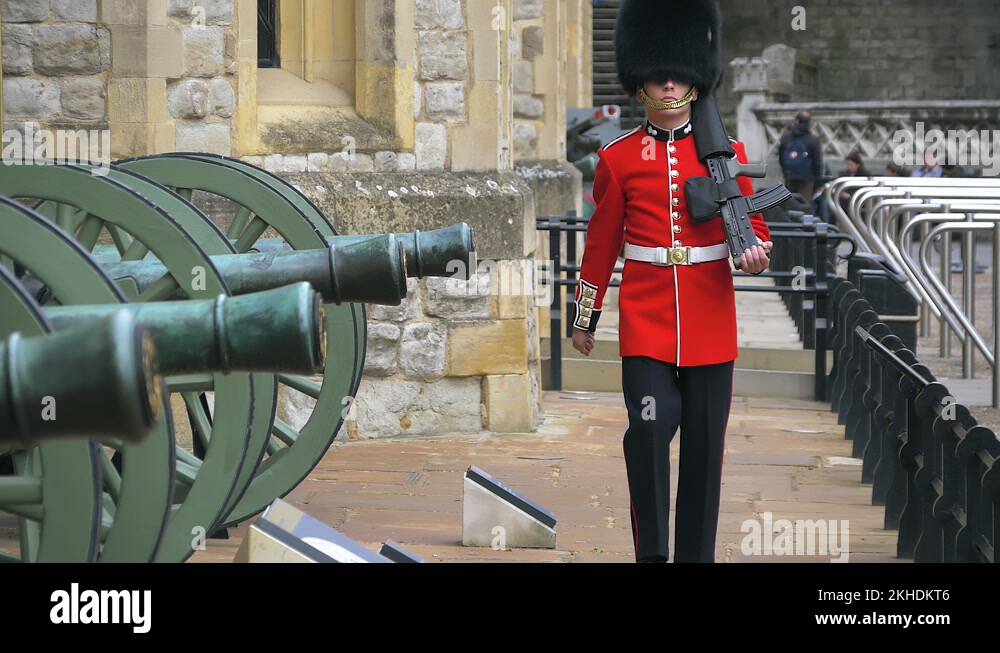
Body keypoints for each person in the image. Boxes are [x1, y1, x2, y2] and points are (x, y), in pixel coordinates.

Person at [570, 0, 772, 563]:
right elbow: (602, 245)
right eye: (658, 76)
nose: (667, 85)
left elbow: (753, 224)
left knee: (706, 456)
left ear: (694, 78)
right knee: (649, 438)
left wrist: (756, 252)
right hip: (647, 323)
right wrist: (584, 316)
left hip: (710, 323)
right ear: (641, 83)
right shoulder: (617, 159)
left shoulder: (726, 155)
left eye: (678, 74)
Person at [778, 111, 824, 202]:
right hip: (807, 179)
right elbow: (817, 163)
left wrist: (785, 173)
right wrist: (817, 181)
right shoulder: (813, 140)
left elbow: (781, 158)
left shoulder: (786, 138)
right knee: (805, 207)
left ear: (796, 121)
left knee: (790, 205)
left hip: (790, 177)